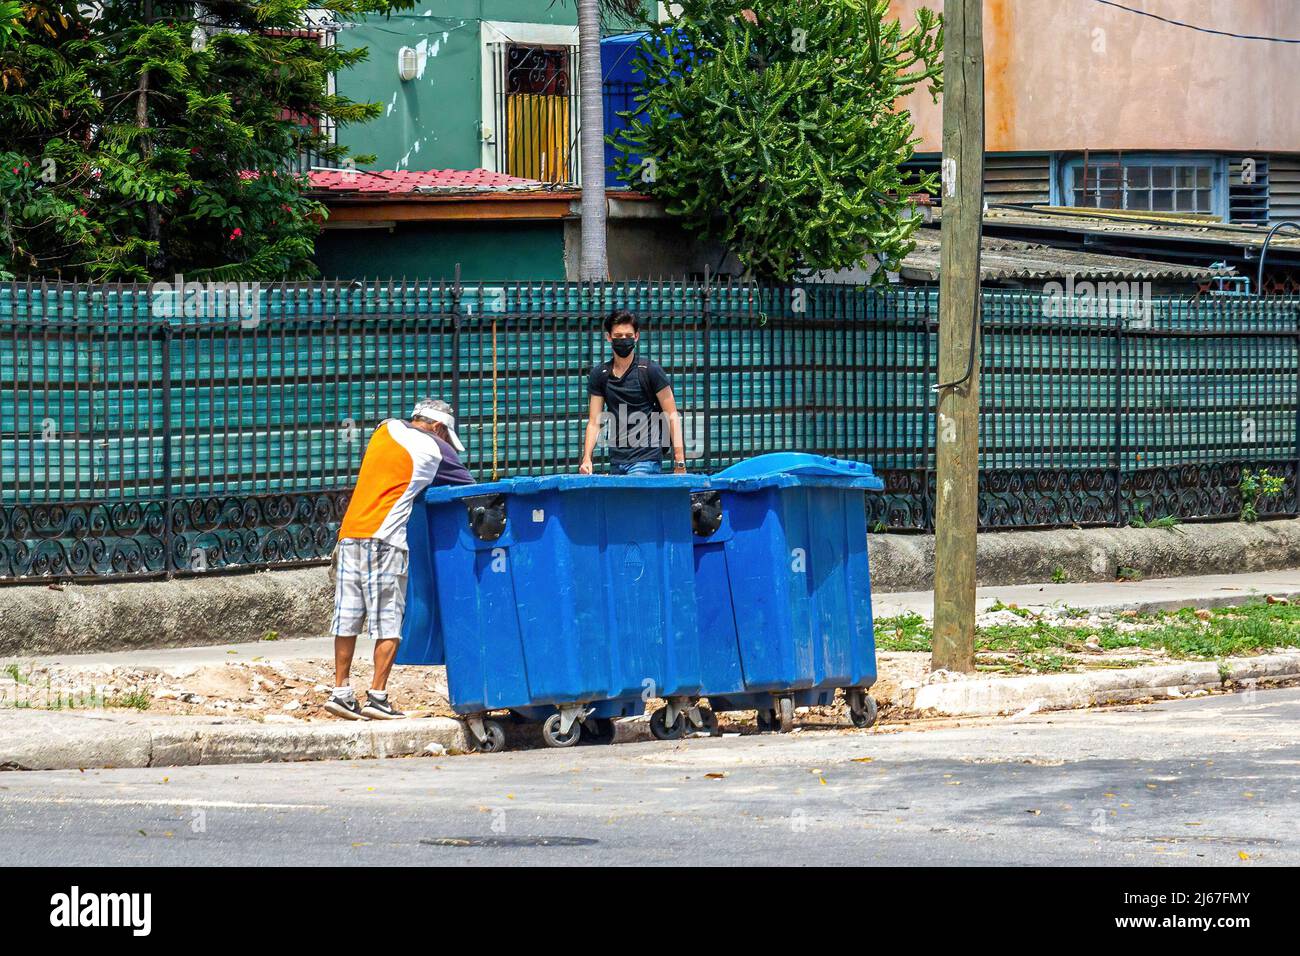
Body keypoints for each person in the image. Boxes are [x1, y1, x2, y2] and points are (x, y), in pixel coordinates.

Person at [324, 398, 474, 720]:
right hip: (385, 542)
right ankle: (377, 697)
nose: (447, 443)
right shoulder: (436, 448)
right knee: (388, 622)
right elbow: (470, 490)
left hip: (349, 535)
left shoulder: (384, 429)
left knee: (347, 617)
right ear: (437, 428)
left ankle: (341, 692)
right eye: (446, 435)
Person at [580, 309, 687, 476]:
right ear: (608, 337)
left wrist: (679, 461)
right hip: (617, 460)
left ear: (636, 336)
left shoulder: (650, 370)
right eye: (618, 336)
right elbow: (594, 421)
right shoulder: (600, 375)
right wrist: (587, 458)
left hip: (646, 459)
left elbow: (672, 415)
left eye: (628, 336)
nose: (624, 340)